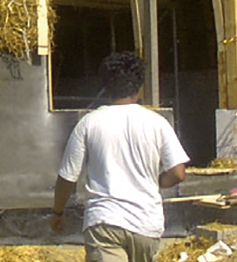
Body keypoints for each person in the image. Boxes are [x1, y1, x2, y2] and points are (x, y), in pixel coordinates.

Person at [51, 51, 189, 262]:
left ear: (105, 86)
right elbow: (178, 173)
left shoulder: (89, 123)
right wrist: (157, 180)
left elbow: (67, 177)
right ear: (139, 87)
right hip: (146, 226)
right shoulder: (157, 123)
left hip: (105, 222)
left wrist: (58, 212)